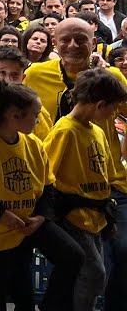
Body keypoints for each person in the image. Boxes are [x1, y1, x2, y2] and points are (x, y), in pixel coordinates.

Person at [25, 18, 127, 308]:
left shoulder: (113, 79)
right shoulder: (35, 76)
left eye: (81, 39)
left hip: (108, 186)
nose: (72, 45)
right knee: (86, 265)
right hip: (65, 194)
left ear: (94, 42)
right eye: (65, 39)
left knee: (119, 255)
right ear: (54, 43)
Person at [0, 79, 82, 311]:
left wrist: (41, 217)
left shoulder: (33, 143)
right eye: (35, 115)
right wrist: (2, 215)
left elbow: (47, 187)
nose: (38, 120)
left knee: (72, 256)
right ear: (15, 115)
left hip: (31, 221)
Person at [45, 68, 127, 311]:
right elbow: (46, 174)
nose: (114, 114)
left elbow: (106, 172)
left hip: (96, 217)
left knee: (91, 273)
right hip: (73, 216)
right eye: (113, 108)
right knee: (94, 274)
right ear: (100, 104)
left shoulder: (98, 131)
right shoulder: (65, 130)